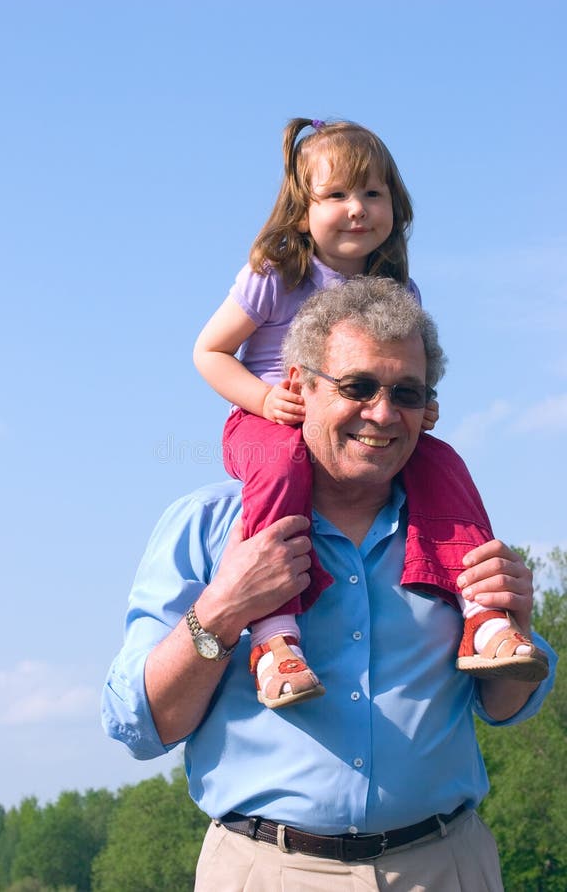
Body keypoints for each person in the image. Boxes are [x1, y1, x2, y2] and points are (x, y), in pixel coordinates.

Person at [102, 277, 556, 891]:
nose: (383, 413)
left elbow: (504, 707)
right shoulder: (207, 526)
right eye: (358, 386)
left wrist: (517, 624)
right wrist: (221, 611)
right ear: (297, 386)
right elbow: (140, 723)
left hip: (448, 866)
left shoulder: (453, 528)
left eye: (406, 392)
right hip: (268, 871)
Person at [192, 117, 547, 709]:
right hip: (267, 423)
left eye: (372, 193)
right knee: (280, 464)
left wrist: (419, 400)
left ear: (394, 204)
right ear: (300, 208)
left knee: (440, 462)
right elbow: (209, 350)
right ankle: (275, 637)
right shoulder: (277, 274)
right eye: (335, 195)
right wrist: (262, 398)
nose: (357, 209)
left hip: (343, 425)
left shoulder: (399, 291)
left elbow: (406, 368)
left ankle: (483, 612)